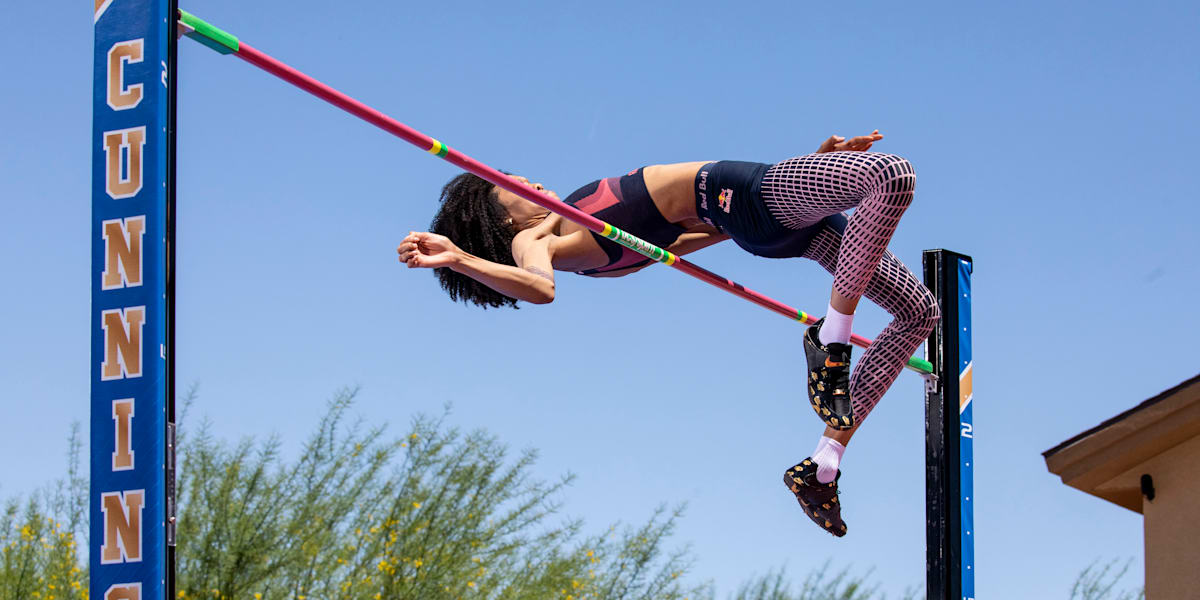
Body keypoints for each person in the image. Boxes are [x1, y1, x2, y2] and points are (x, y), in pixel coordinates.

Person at [397, 131, 939, 537]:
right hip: (743, 196)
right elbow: (539, 288)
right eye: (513, 187)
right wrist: (460, 256)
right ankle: (832, 338)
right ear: (504, 223)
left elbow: (692, 239)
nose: (531, 183)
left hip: (762, 221)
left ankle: (823, 463)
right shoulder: (539, 241)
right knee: (891, 175)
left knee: (920, 313)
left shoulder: (585, 251)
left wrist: (813, 176)